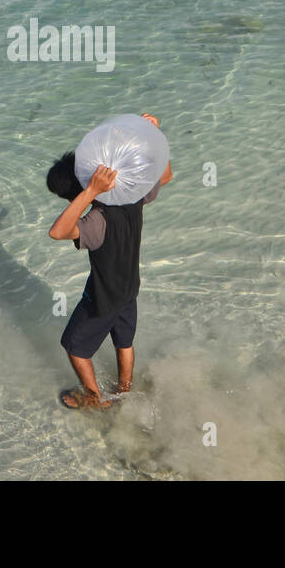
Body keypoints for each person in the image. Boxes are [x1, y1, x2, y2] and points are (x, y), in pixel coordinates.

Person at [46, 113, 171, 409]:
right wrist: (155, 138)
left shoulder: (95, 222)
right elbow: (165, 176)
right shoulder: (133, 199)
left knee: (75, 348)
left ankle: (94, 399)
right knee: (124, 344)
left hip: (103, 296)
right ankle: (125, 391)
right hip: (130, 288)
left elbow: (57, 232)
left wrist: (90, 192)